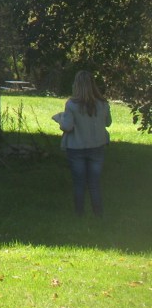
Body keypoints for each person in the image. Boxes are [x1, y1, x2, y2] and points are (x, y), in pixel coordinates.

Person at [53, 71, 111, 217]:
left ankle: (79, 214)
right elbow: (108, 123)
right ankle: (98, 214)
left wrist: (59, 118)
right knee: (94, 183)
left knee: (79, 183)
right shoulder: (103, 103)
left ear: (76, 85)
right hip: (97, 146)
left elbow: (67, 126)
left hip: (76, 147)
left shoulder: (72, 105)